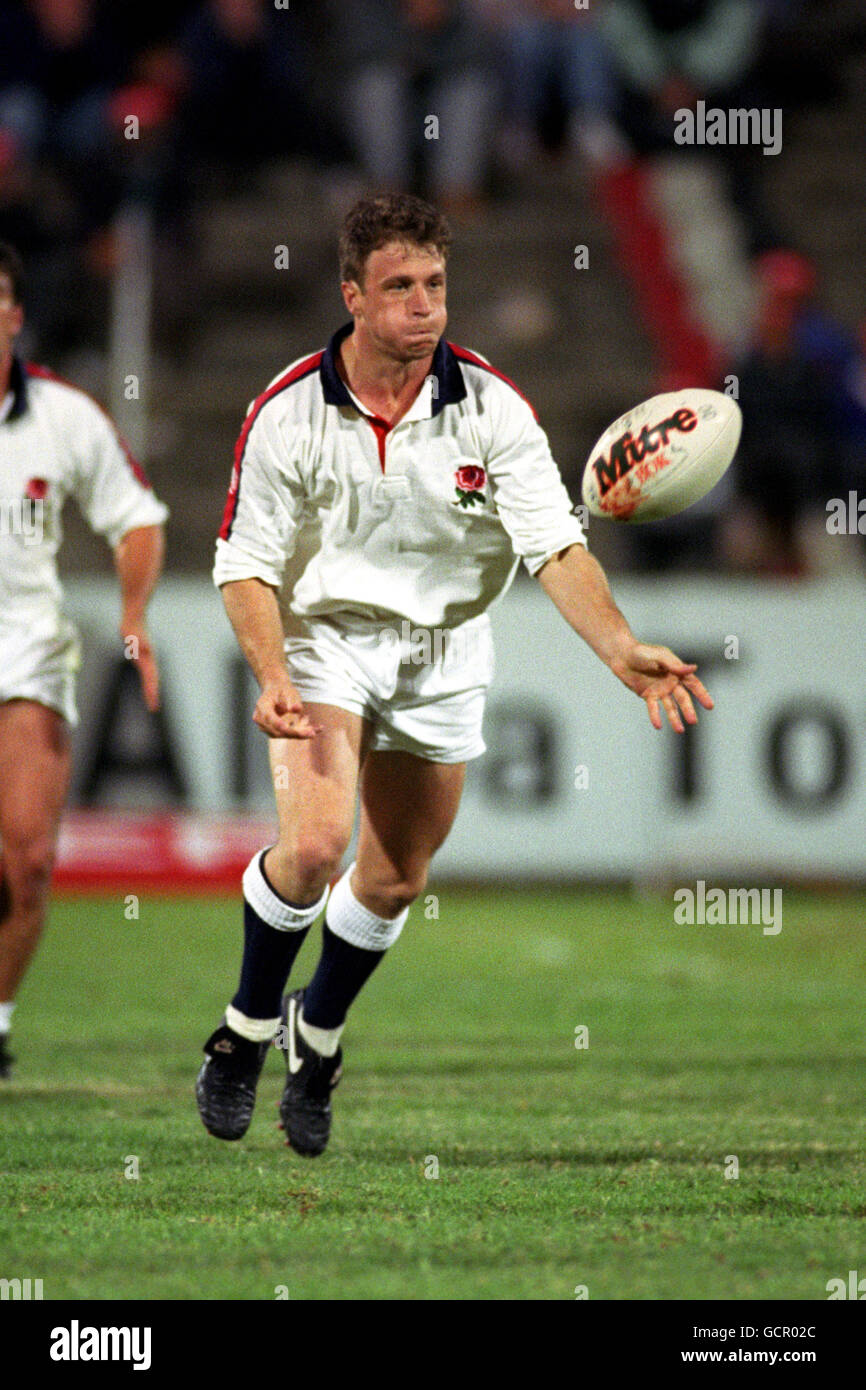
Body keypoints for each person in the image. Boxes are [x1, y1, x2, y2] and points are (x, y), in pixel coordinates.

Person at [197, 193, 713, 1156]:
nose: (424, 305)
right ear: (352, 294)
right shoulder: (286, 412)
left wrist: (619, 648)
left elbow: (557, 549)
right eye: (399, 287)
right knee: (314, 849)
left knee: (393, 881)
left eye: (435, 284)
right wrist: (269, 669)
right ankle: (247, 1031)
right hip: (325, 638)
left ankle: (320, 1036)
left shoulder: (492, 410)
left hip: (442, 652)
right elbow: (244, 564)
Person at [0, 241, 168, 1078]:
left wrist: (134, 613)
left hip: (25, 648)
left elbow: (135, 518)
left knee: (26, 861)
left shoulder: (63, 415)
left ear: (15, 314)